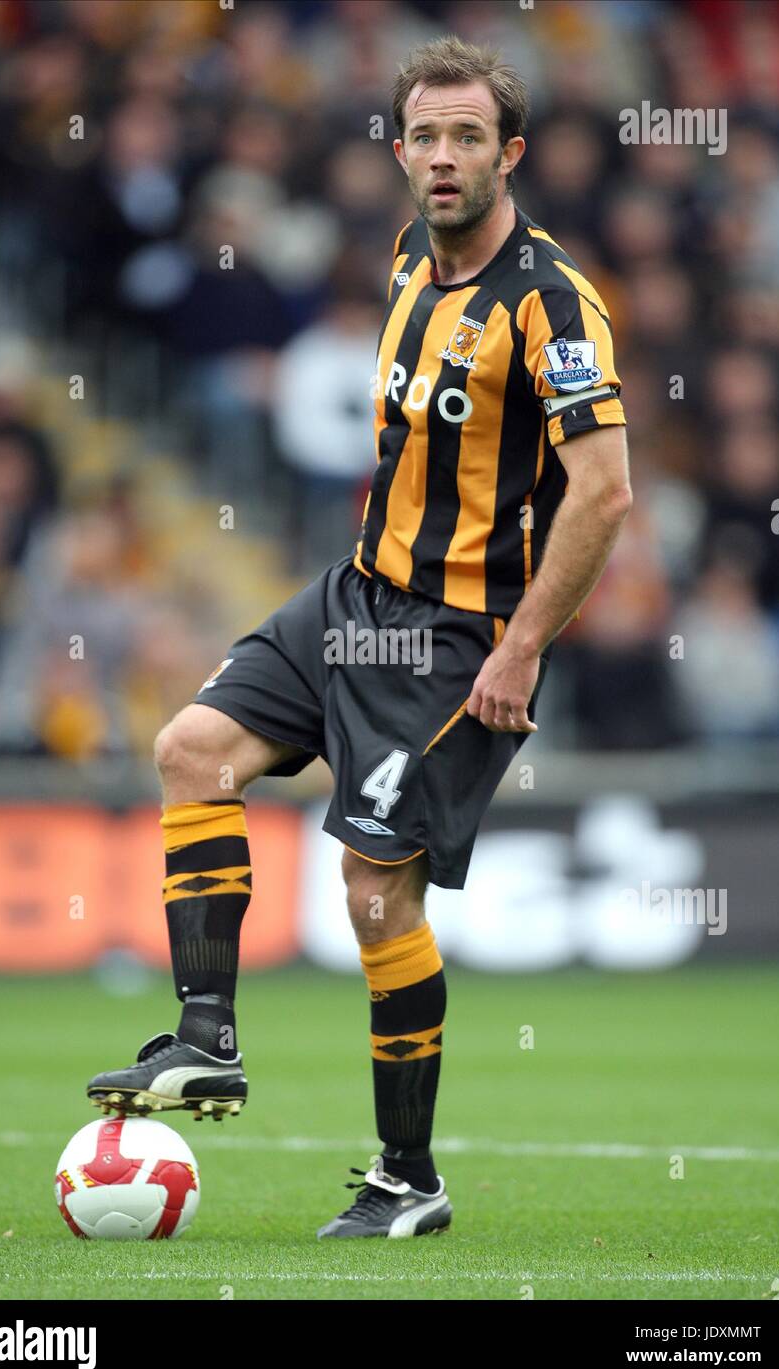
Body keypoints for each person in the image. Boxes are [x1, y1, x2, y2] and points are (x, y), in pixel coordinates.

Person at [87, 36, 632, 1240]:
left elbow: (601, 494)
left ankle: (407, 1176)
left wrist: (524, 643)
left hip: (456, 637)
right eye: (423, 137)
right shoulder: (401, 262)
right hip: (350, 601)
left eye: (467, 137)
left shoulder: (549, 301)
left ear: (511, 154)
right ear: (399, 152)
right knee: (189, 749)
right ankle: (205, 1033)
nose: (442, 158)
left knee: (373, 895)